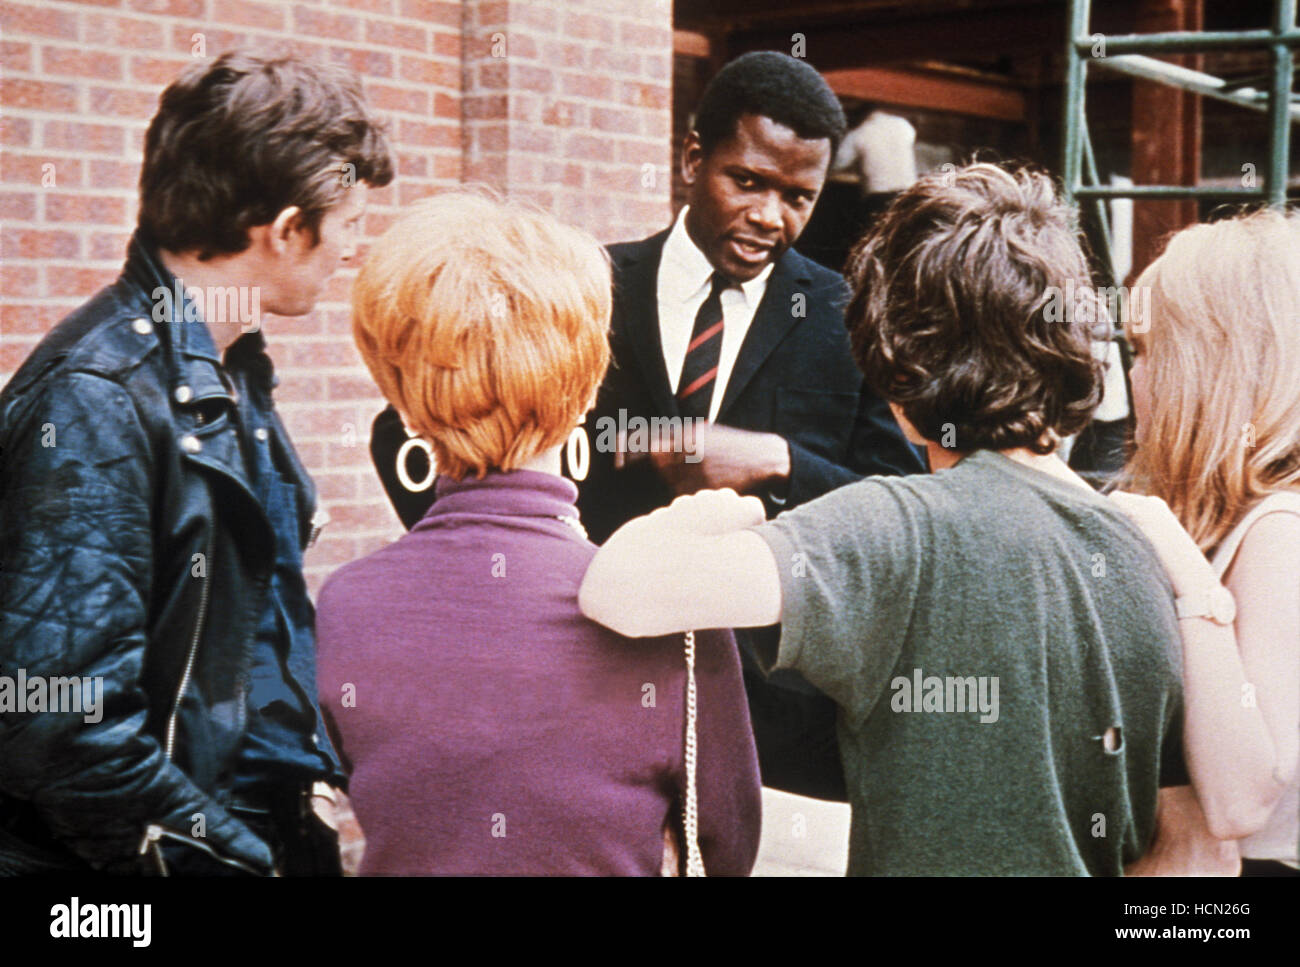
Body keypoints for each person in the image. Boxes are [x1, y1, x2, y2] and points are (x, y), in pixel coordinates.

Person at [579, 162, 1190, 876]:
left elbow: (620, 586)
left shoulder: (898, 529)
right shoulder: (1145, 550)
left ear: (895, 367)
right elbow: (1187, 850)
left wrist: (725, 506)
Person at [370, 50, 924, 803]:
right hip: (579, 709)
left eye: (800, 196)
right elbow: (432, 437)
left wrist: (781, 461)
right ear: (692, 158)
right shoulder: (579, 289)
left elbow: (898, 514)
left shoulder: (847, 319)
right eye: (749, 181)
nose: (771, 215)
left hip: (777, 745)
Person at [0, 51, 393, 875]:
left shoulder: (228, 365)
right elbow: (60, 723)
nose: (355, 251)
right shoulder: (95, 400)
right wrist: (237, 860)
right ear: (286, 230)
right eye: (352, 222)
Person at [315, 192, 761, 876]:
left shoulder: (342, 608)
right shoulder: (678, 614)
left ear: (400, 396)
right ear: (585, 392)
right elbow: (727, 846)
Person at [1111, 208, 1300, 876]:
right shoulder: (1229, 519)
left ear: (1214, 363)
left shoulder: (1279, 531)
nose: (1129, 378)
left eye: (1144, 349)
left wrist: (1181, 564)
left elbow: (1241, 798)